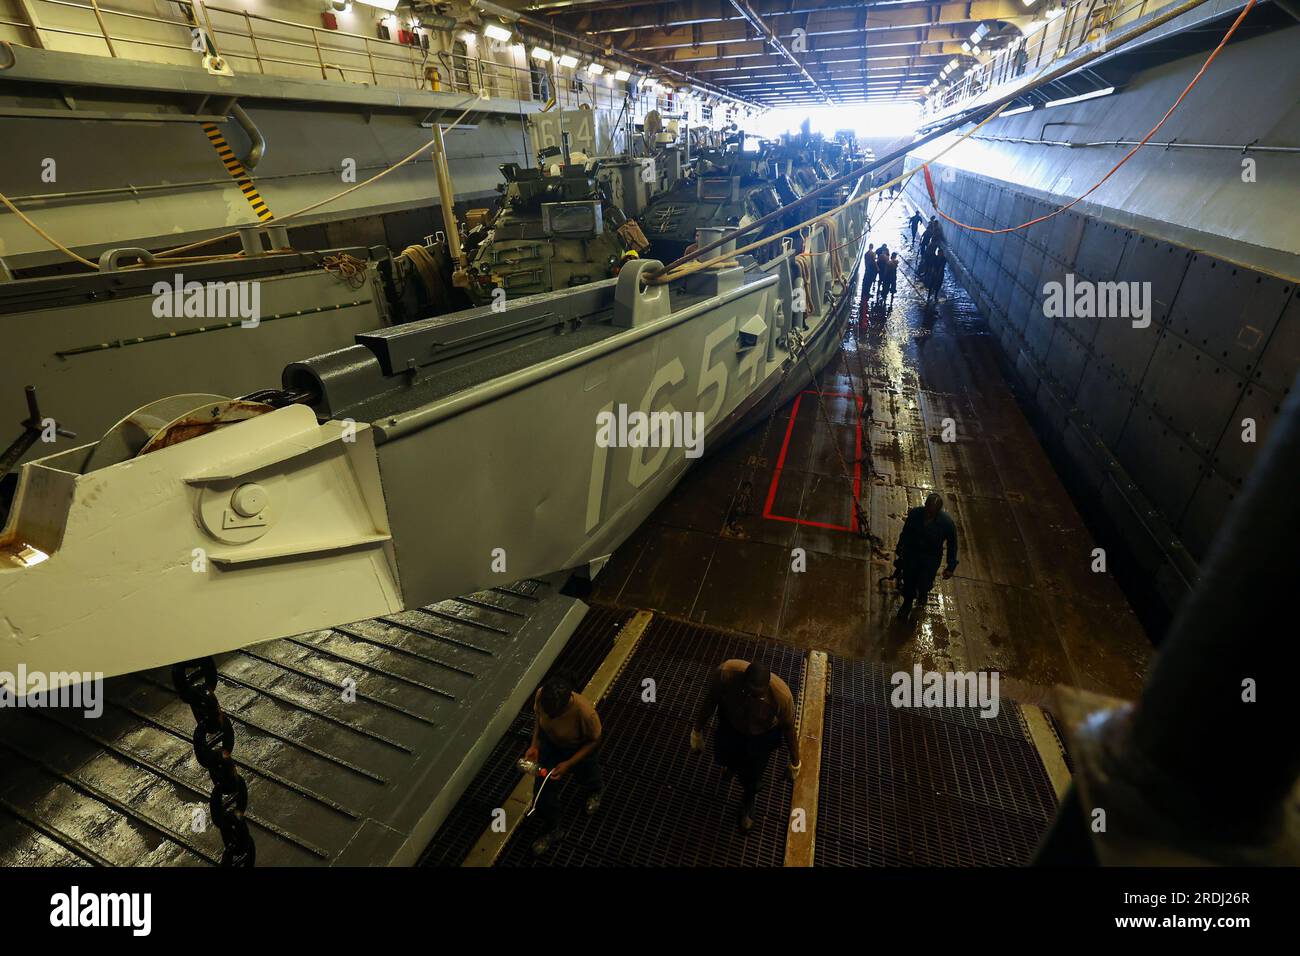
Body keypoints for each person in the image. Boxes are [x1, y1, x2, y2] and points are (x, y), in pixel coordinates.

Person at [690, 659, 800, 831]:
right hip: (731, 725)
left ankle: (748, 801)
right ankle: (733, 766)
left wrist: (795, 762)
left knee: (752, 775)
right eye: (750, 692)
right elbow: (710, 701)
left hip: (761, 736)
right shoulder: (725, 674)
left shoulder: (781, 696)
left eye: (759, 695)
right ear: (742, 681)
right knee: (724, 754)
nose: (753, 698)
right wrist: (697, 731)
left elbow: (788, 729)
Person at [523, 672, 604, 855]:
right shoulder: (542, 695)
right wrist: (535, 744)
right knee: (542, 793)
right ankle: (554, 828)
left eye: (554, 715)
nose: (549, 717)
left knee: (588, 775)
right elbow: (539, 719)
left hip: (577, 748)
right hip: (551, 746)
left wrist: (569, 763)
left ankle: (595, 790)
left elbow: (595, 740)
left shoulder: (585, 713)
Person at [893, 492, 959, 618]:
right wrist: (900, 547)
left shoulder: (947, 524)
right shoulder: (915, 514)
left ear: (938, 511)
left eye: (932, 512)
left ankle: (923, 592)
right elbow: (906, 532)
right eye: (927, 510)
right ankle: (907, 603)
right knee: (909, 579)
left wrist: (951, 566)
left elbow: (952, 545)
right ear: (925, 506)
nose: (928, 514)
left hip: (931, 558)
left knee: (925, 581)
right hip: (912, 553)